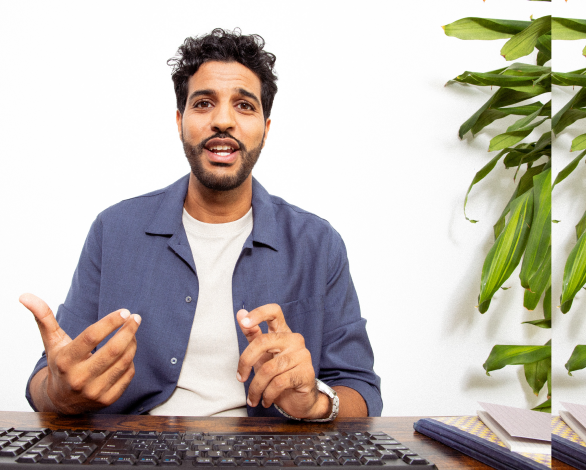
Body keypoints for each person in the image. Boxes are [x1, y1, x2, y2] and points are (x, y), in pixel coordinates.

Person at [22, 28, 381, 420]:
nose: (223, 120)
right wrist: (59, 391)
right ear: (180, 121)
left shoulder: (318, 243)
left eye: (244, 106)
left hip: (266, 455)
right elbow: (51, 375)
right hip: (134, 452)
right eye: (204, 103)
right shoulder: (114, 230)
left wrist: (314, 402)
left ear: (266, 128)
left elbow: (361, 390)